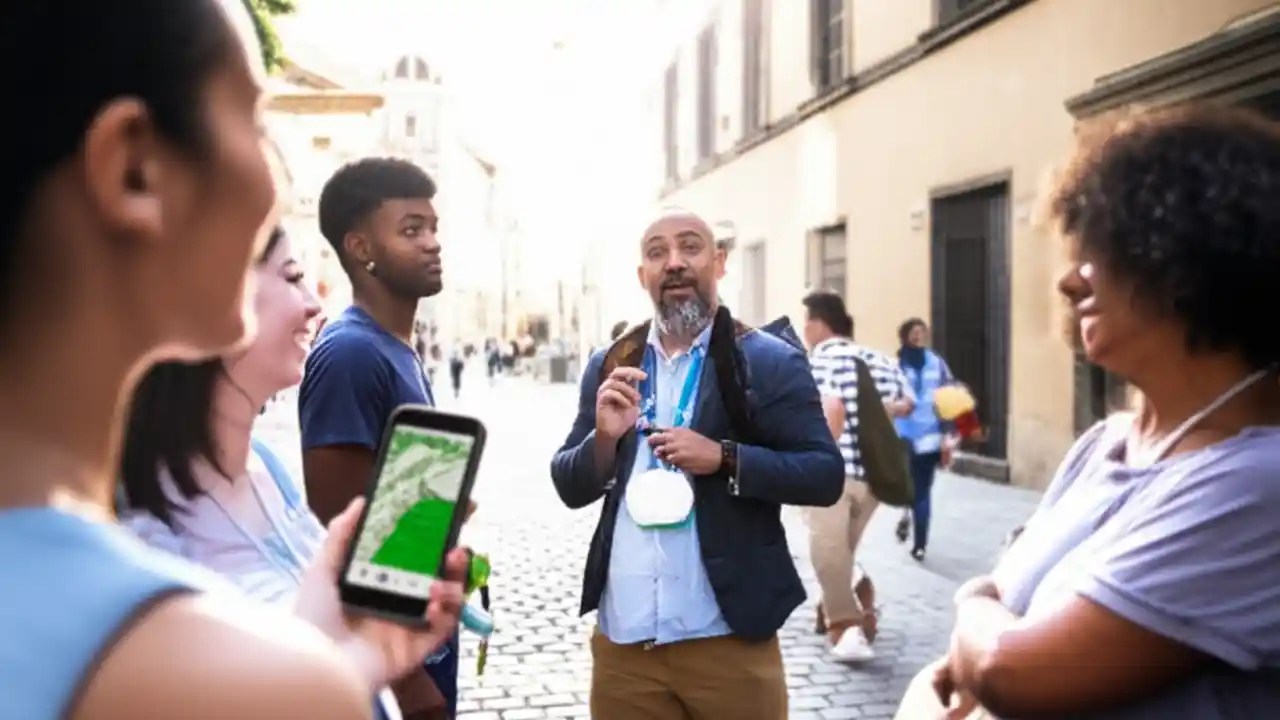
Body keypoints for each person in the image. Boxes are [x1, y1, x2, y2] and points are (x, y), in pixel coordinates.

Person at [0, 3, 465, 719]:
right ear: (134, 169)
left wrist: (334, 647)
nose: (276, 184)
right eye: (253, 121)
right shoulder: (220, 678)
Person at [930, 105, 1280, 719]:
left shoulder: (1261, 480)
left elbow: (1009, 671)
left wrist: (970, 606)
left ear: (1195, 260)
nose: (1069, 283)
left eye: (1103, 252)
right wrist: (984, 628)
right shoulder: (1108, 440)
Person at [550, 208, 844, 719]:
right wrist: (603, 440)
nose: (675, 263)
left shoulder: (768, 359)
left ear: (719, 262)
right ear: (643, 274)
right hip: (626, 646)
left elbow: (823, 474)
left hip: (728, 640)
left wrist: (724, 458)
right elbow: (569, 483)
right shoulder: (611, 361)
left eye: (690, 247)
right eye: (657, 253)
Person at [299, 157, 462, 718]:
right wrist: (410, 683)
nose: (433, 243)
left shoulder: (395, 348)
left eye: (434, 228)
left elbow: (396, 506)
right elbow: (340, 524)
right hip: (394, 664)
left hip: (421, 626)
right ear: (360, 246)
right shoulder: (351, 352)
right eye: (411, 230)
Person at [801, 290, 914, 663]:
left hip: (830, 470)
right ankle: (850, 593)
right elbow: (907, 403)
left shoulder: (813, 363)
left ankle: (847, 626)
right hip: (872, 477)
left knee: (828, 551)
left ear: (818, 324)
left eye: (807, 323)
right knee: (842, 549)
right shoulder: (880, 360)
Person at [892, 317, 958, 561]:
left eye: (922, 332)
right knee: (912, 488)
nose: (919, 336)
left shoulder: (937, 363)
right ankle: (907, 514)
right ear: (906, 335)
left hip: (930, 438)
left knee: (922, 491)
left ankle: (920, 543)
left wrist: (948, 434)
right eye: (914, 332)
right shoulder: (896, 364)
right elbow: (889, 399)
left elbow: (948, 398)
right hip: (904, 437)